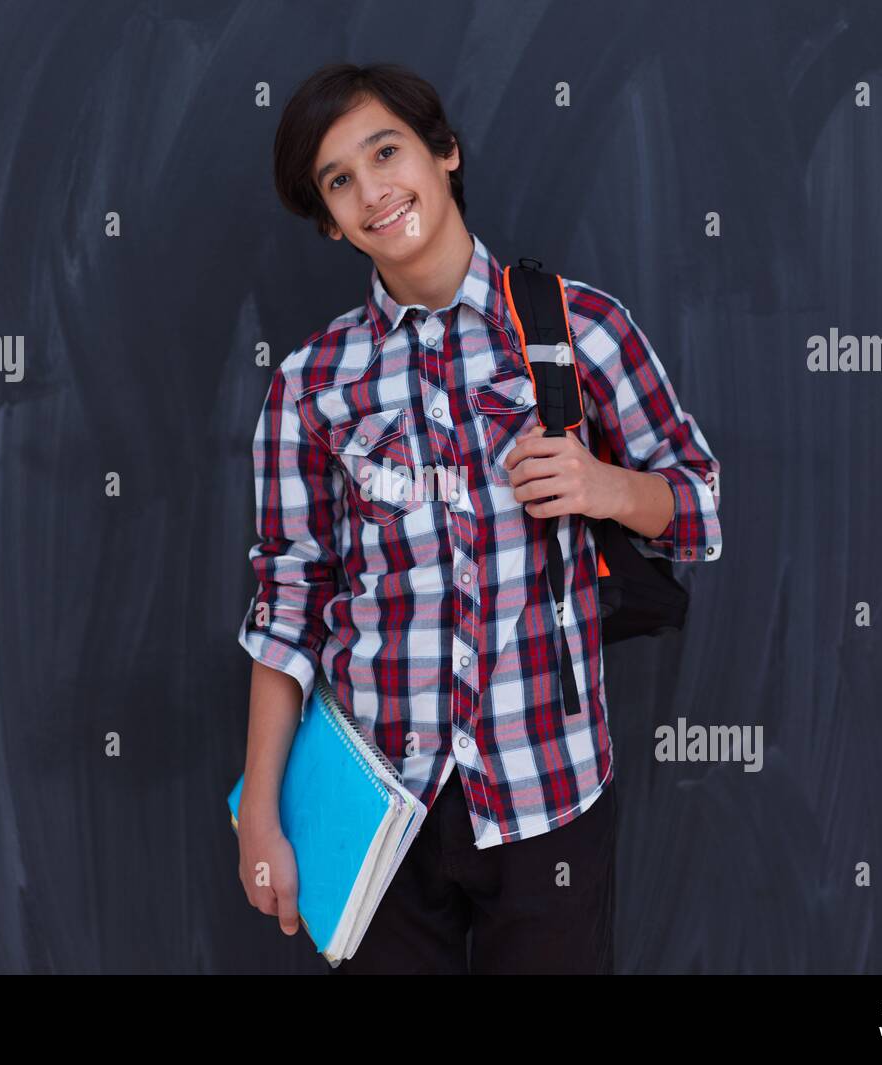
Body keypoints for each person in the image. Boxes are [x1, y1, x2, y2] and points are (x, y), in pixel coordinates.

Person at [234, 62, 722, 974]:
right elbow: (288, 597)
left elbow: (696, 506)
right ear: (331, 220)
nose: (373, 191)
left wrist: (604, 485)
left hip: (548, 792)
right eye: (339, 180)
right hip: (380, 804)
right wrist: (260, 809)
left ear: (444, 153)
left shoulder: (581, 330)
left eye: (387, 152)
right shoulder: (312, 382)